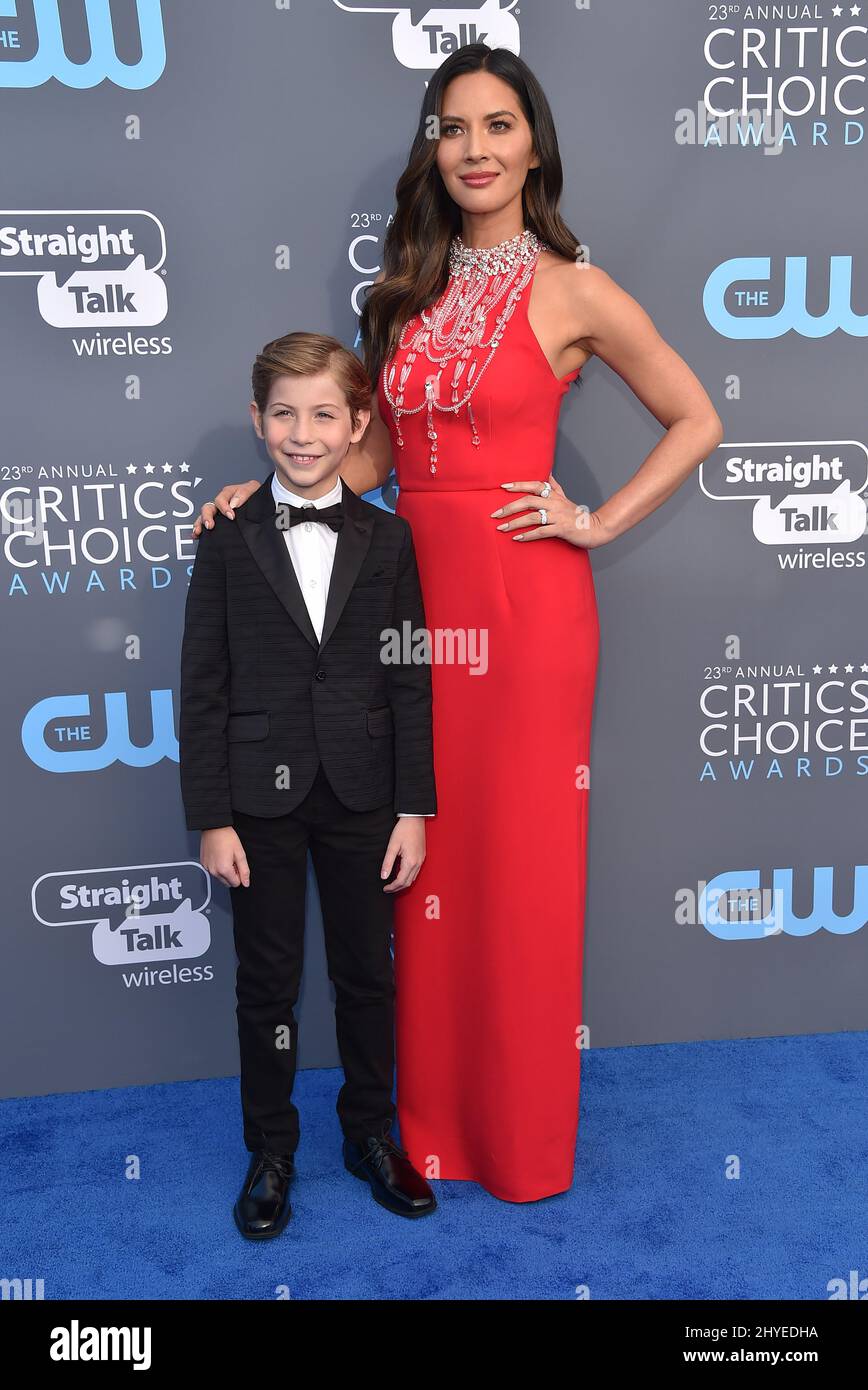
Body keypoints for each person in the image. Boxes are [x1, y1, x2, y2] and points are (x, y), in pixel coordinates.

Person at [191, 46, 723, 1202]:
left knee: (518, 874)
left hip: (522, 614)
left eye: (497, 125)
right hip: (403, 602)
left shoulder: (576, 287)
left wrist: (591, 518)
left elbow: (695, 416)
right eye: (452, 128)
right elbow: (376, 456)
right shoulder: (410, 284)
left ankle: (518, 1139)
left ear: (533, 142)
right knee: (414, 862)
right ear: (433, 148)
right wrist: (269, 494)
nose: (474, 149)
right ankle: (419, 1127)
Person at [179, 331, 438, 1237]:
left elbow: (410, 674)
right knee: (268, 983)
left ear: (358, 422)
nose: (302, 432)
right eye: (283, 414)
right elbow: (201, 686)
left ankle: (369, 1134)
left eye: (324, 413)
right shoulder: (223, 536)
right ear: (258, 421)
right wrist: (212, 819)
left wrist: (415, 807)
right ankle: (271, 1148)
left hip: (367, 793)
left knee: (369, 976)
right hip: (259, 800)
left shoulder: (392, 538)